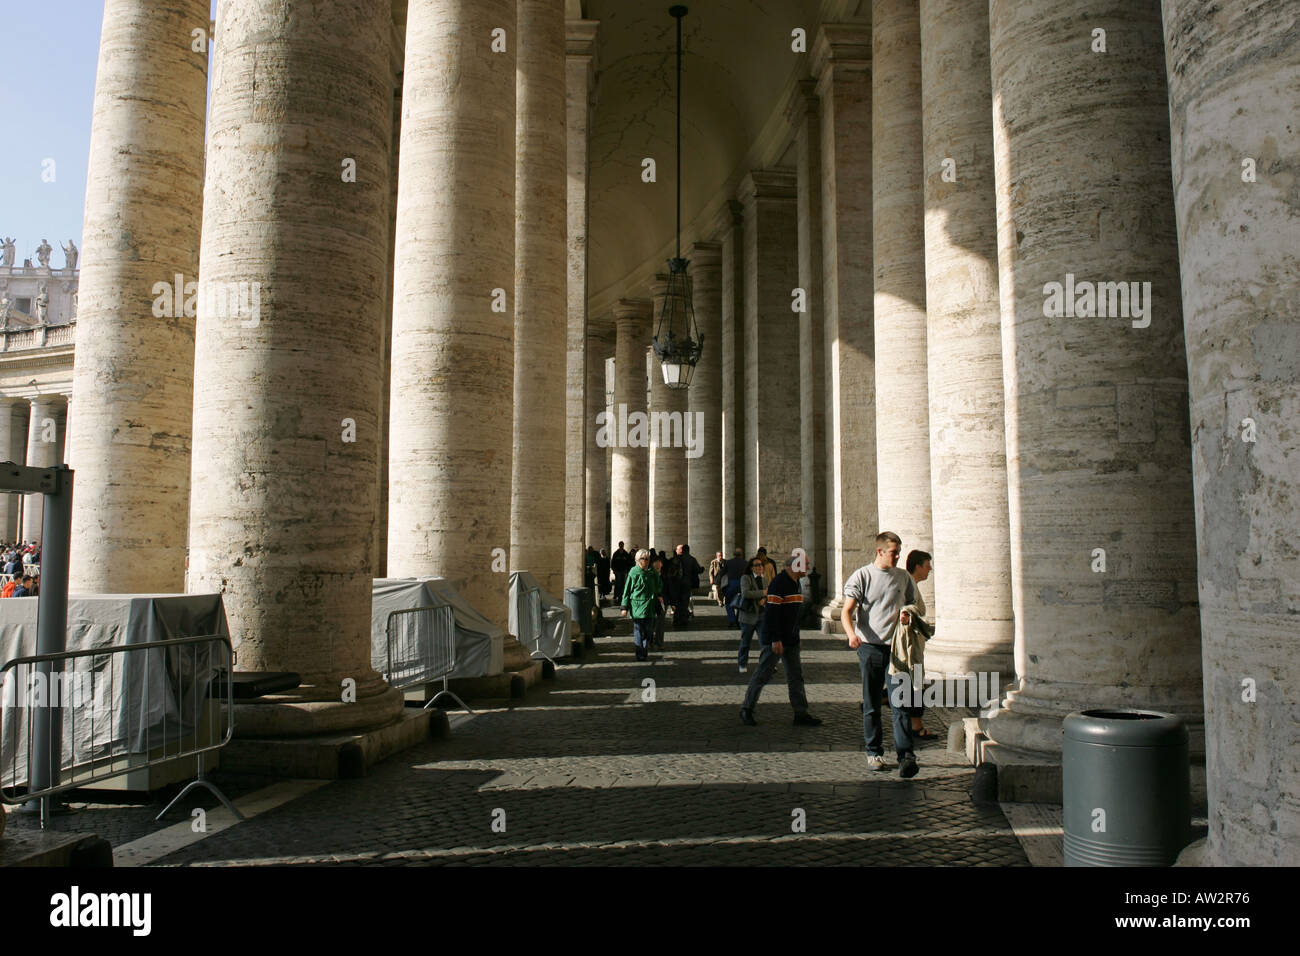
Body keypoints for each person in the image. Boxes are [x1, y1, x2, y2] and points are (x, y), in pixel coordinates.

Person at [842, 531, 919, 777]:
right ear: (880, 551)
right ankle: (873, 751)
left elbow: (913, 604)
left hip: (897, 650)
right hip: (869, 648)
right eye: (894, 552)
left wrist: (908, 614)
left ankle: (906, 755)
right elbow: (847, 610)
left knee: (901, 703)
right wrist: (851, 634)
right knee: (872, 703)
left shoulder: (903, 577)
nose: (897, 556)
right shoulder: (862, 576)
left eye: (899, 551)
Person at [740, 553, 821, 727]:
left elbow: (793, 616)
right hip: (775, 640)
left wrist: (796, 637)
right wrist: (776, 639)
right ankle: (747, 709)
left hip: (791, 640)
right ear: (795, 566)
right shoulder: (779, 583)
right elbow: (772, 614)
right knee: (763, 674)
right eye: (805, 564)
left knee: (795, 676)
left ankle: (800, 713)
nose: (808, 567)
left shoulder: (796, 583)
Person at [901, 550, 937, 741]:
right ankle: (916, 726)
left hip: (913, 644)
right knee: (914, 684)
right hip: (910, 645)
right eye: (926, 564)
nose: (930, 569)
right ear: (917, 566)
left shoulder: (909, 583)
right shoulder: (908, 584)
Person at [620, 549, 663, 661]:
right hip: (637, 605)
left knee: (648, 631)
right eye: (644, 559)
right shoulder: (633, 572)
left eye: (648, 559)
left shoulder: (652, 571)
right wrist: (624, 607)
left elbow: (659, 583)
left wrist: (659, 594)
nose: (646, 561)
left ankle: (645, 647)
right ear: (638, 560)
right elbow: (627, 590)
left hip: (650, 605)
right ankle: (640, 653)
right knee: (638, 629)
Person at [736, 555, 768, 671]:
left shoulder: (764, 579)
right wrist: (762, 593)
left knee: (764, 642)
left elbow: (767, 593)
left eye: (761, 565)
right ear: (751, 568)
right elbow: (746, 593)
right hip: (748, 615)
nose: (760, 567)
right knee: (746, 643)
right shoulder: (746, 578)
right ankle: (742, 664)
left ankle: (765, 663)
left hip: (761, 614)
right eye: (757, 565)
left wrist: (765, 598)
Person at [723, 548, 746, 627]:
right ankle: (738, 620)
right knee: (741, 603)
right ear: (741, 554)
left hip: (731, 584)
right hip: (742, 584)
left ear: (733, 554)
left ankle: (731, 619)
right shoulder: (745, 563)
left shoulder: (728, 562)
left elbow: (723, 572)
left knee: (728, 602)